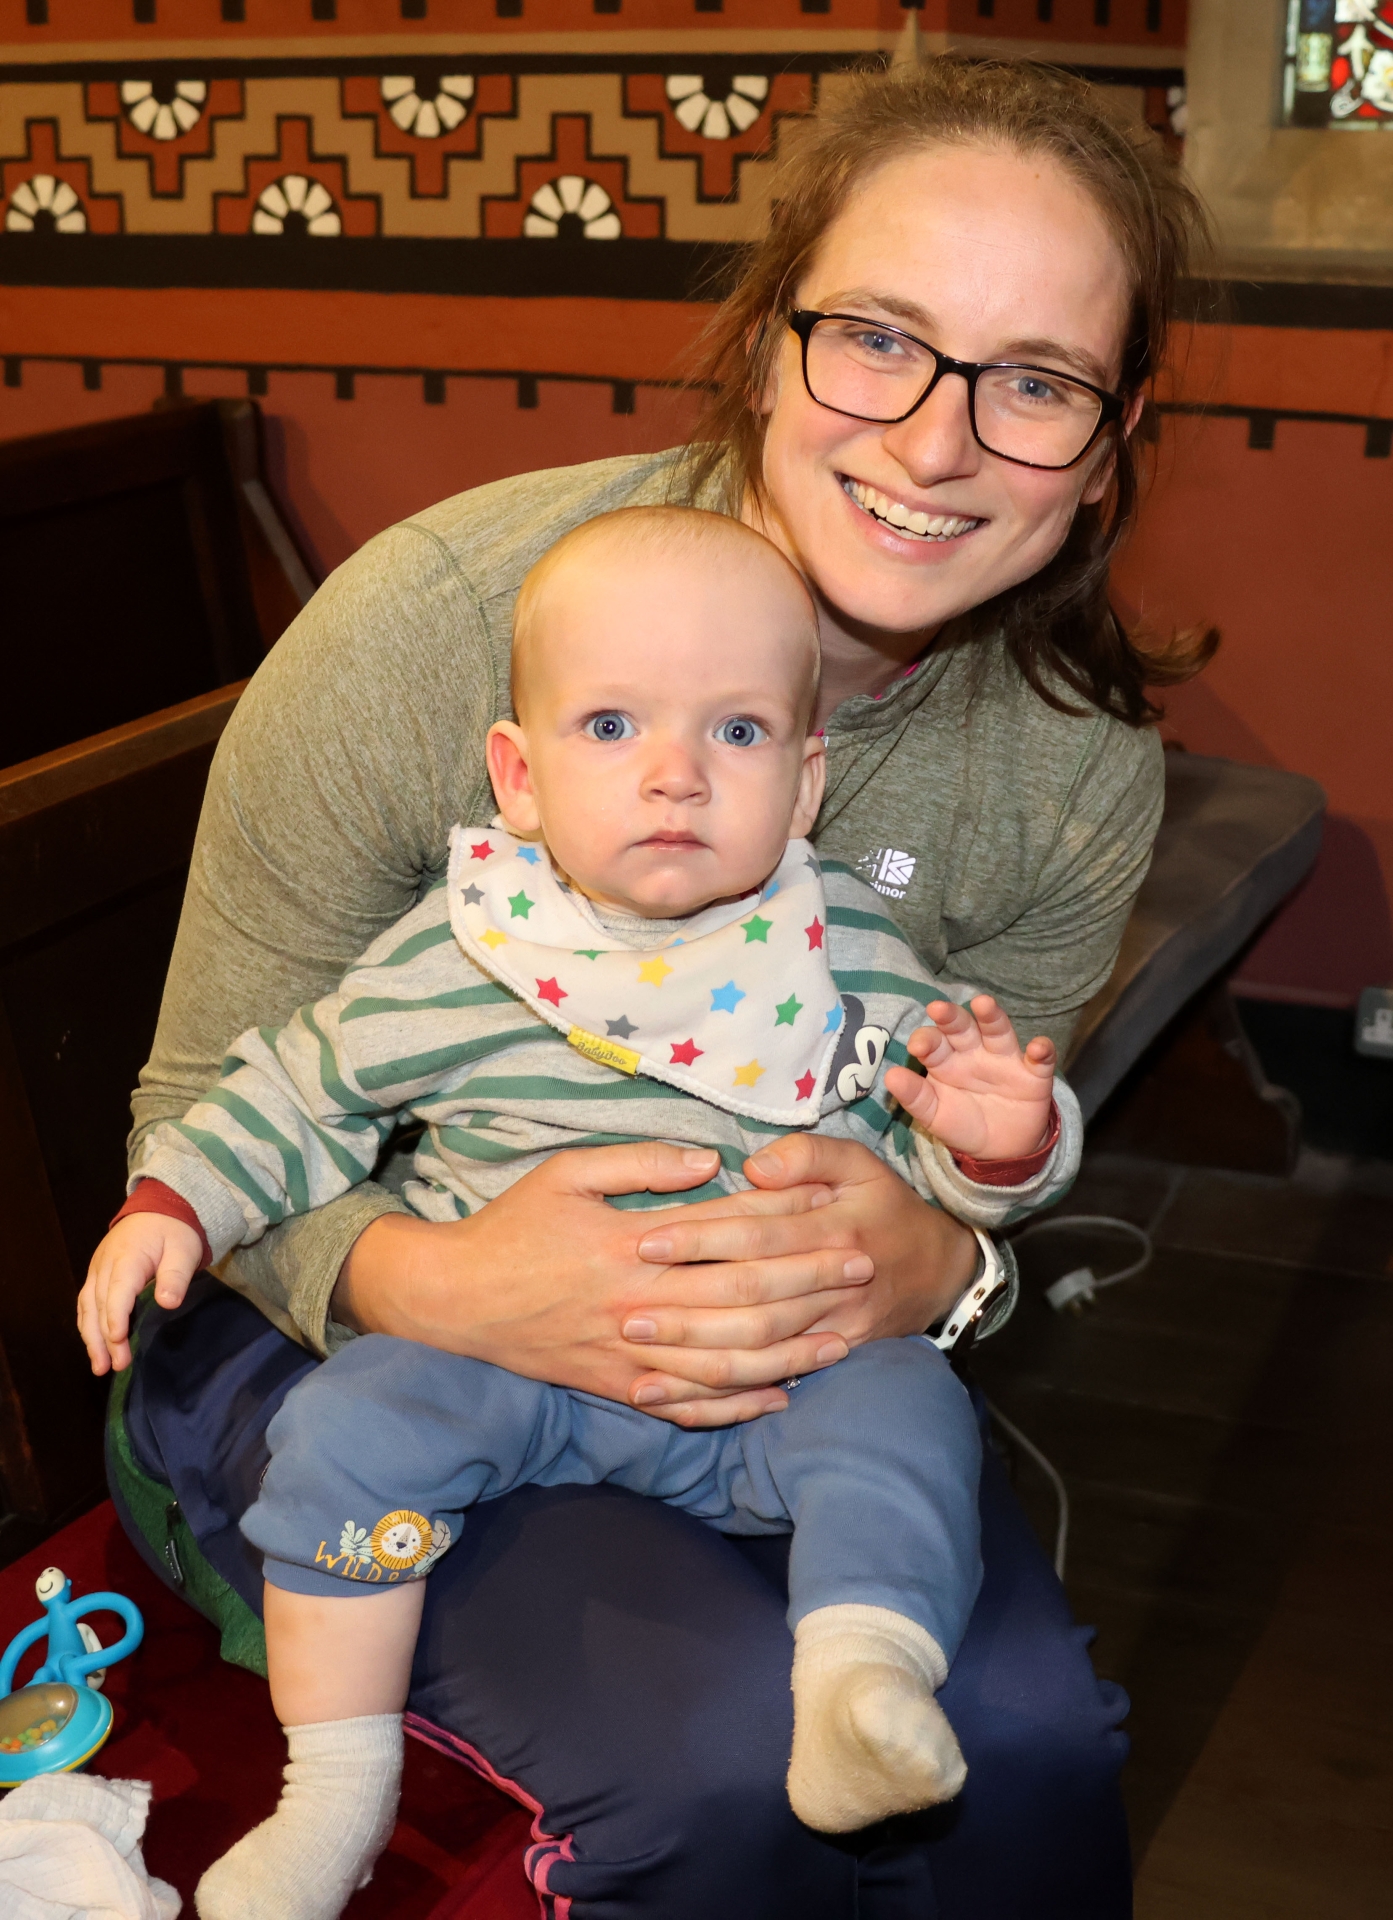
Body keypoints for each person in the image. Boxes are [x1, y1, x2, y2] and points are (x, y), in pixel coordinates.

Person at [106, 55, 1214, 1920]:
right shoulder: (438, 621)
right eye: (877, 338)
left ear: (1108, 446)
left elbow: (980, 1158)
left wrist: (943, 1243)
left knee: (1020, 1733)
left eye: (1034, 383)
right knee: (713, 1767)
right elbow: (209, 1106)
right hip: (341, 1344)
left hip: (783, 1380)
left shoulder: (1065, 758)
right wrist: (439, 1279)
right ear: (765, 342)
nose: (935, 445)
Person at [84, 507, 1079, 1919]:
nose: (674, 775)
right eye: (610, 727)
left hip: (775, 1387)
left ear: (803, 787)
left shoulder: (843, 949)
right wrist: (176, 1196)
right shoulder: (462, 954)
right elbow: (298, 1092)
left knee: (908, 1413)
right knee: (350, 1424)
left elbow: (960, 1154)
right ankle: (337, 1787)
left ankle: (861, 1680)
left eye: (734, 734)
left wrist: (999, 1141)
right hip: (499, 1368)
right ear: (521, 774)